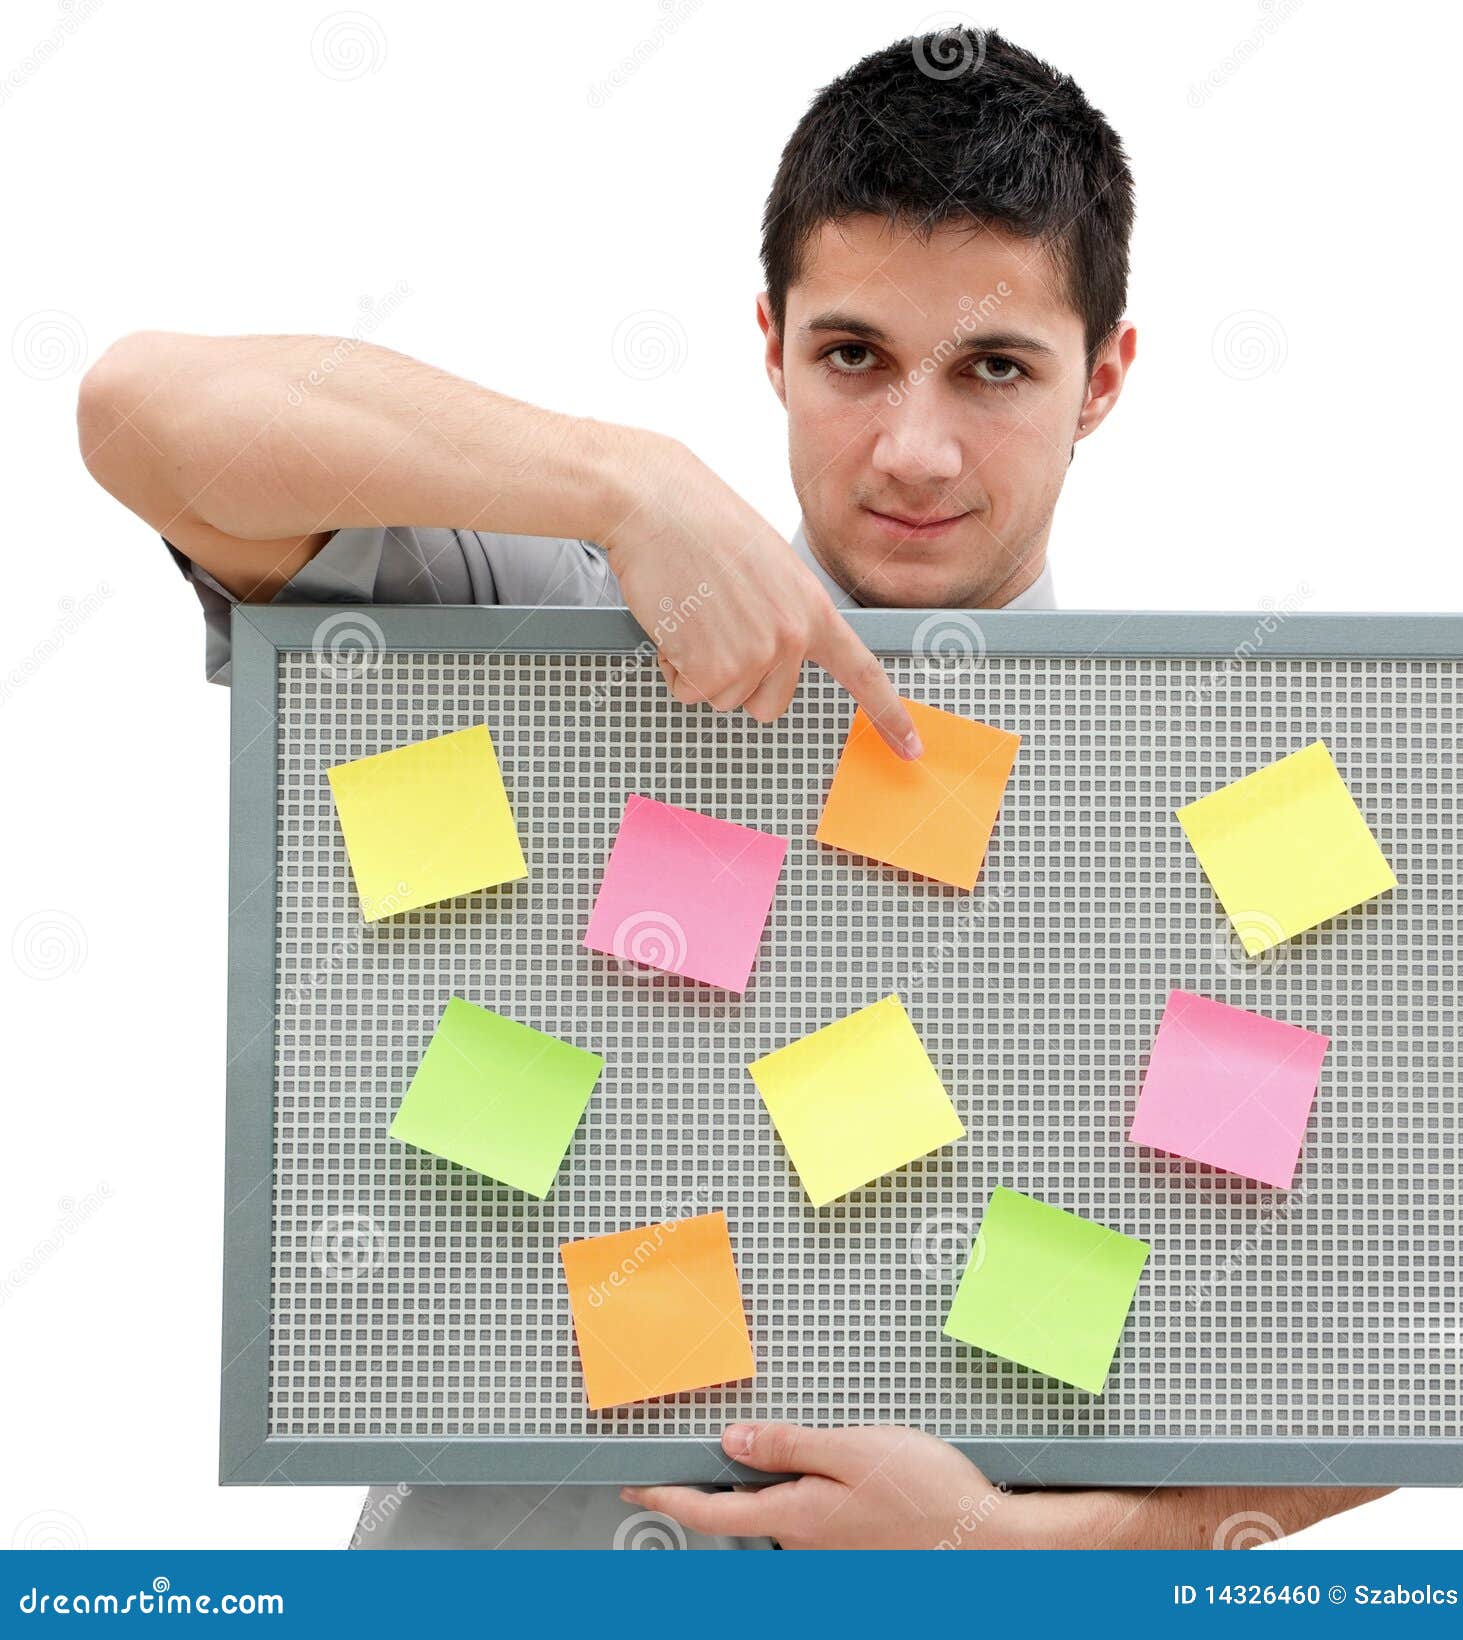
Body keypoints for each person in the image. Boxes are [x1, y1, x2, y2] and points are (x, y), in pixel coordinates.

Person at [77, 27, 1387, 1550]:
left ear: (1104, 379)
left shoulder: (1221, 796)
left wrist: (1027, 1548)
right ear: (768, 341)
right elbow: (141, 414)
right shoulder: (537, 630)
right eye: (853, 356)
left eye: (995, 368)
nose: (913, 446)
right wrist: (621, 484)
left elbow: (1391, 1341)